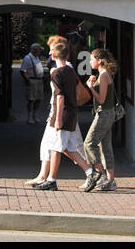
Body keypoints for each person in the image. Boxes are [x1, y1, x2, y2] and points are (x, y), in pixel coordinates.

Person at [24, 35, 93, 190]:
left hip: (61, 114)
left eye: (51, 50)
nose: (48, 53)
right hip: (69, 112)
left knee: (57, 147)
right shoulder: (69, 70)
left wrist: (58, 119)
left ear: (55, 54)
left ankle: (52, 179)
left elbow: (60, 96)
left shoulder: (56, 72)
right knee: (68, 147)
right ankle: (90, 171)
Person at [81, 48, 120, 192]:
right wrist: (94, 83)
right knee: (105, 146)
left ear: (99, 61)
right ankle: (111, 180)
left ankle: (100, 175)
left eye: (92, 59)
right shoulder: (104, 75)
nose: (90, 62)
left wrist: (91, 88)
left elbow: (101, 99)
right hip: (107, 114)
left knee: (89, 143)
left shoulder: (103, 76)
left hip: (104, 114)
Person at [19, 43, 45, 124]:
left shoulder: (36, 57)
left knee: (39, 99)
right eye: (39, 49)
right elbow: (22, 71)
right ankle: (29, 117)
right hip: (33, 80)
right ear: (35, 50)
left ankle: (34, 115)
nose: (40, 51)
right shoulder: (27, 58)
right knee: (31, 100)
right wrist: (28, 81)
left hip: (39, 81)